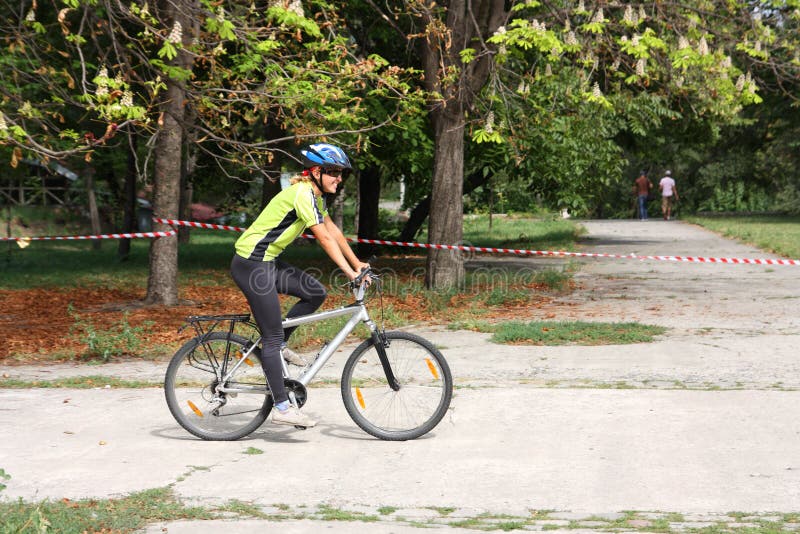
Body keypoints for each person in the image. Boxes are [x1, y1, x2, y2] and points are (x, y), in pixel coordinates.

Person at [230, 143, 369, 428]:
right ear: (316, 172)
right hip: (251, 264)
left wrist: (358, 264)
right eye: (333, 172)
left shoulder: (315, 196)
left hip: (268, 261)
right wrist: (348, 272)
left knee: (314, 292)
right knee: (270, 338)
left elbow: (333, 230)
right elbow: (324, 239)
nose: (338, 179)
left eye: (341, 174)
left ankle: (280, 345)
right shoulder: (302, 194)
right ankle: (282, 407)